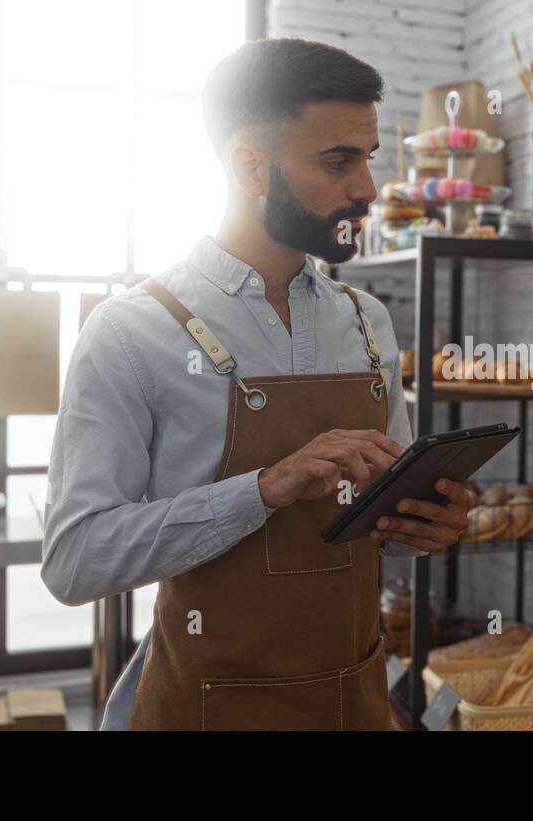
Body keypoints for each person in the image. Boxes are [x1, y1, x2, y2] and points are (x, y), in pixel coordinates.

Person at [41, 38, 474, 730]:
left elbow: (376, 525)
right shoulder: (131, 332)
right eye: (338, 161)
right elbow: (74, 559)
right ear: (250, 167)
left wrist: (422, 521)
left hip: (356, 703)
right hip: (206, 710)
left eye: (367, 159)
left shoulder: (368, 324)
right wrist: (263, 488)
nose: (366, 188)